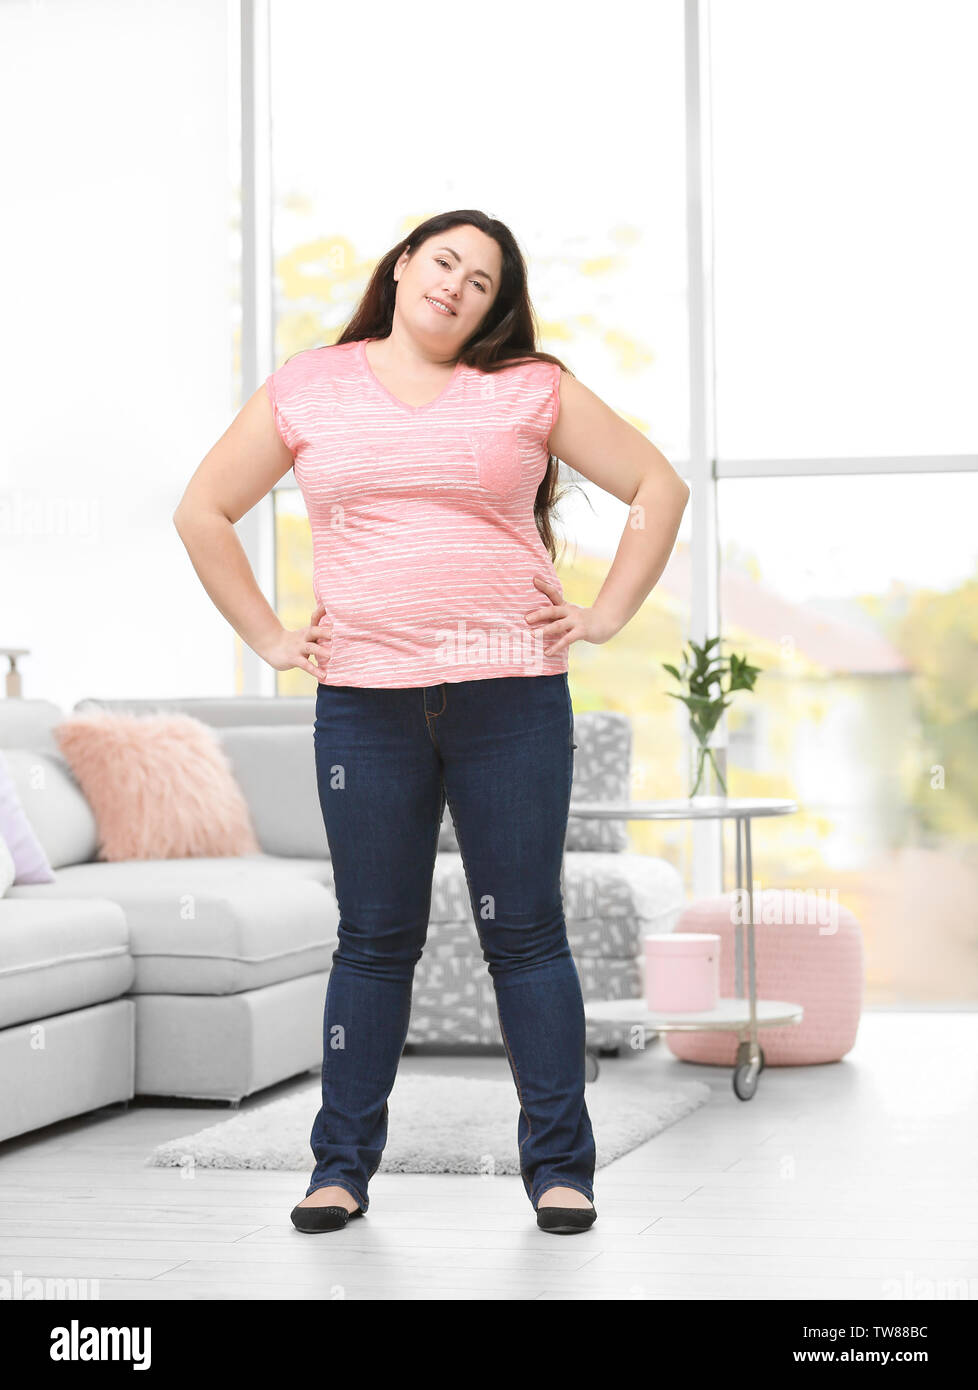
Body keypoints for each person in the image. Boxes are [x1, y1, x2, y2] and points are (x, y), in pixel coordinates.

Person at [173, 209, 690, 1236]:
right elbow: (201, 509)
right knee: (372, 940)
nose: (457, 285)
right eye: (443, 261)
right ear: (404, 266)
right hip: (365, 705)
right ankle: (338, 1168)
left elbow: (655, 486)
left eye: (482, 280)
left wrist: (605, 614)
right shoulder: (310, 384)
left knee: (528, 937)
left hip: (513, 696)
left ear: (495, 306)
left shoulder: (528, 388)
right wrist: (273, 637)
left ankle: (559, 1169)